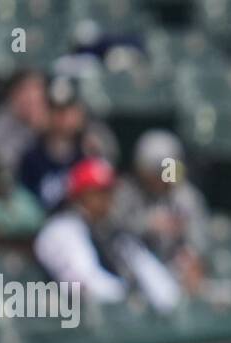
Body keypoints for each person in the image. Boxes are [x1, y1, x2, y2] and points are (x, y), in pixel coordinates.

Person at [33, 157, 181, 312]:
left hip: (114, 320)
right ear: (79, 195)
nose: (106, 199)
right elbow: (85, 283)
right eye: (98, 193)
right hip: (68, 323)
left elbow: (156, 279)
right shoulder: (61, 230)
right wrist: (130, 298)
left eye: (108, 192)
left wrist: (163, 300)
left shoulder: (115, 234)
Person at [111, 130, 209, 296]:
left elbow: (198, 240)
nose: (161, 177)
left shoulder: (185, 196)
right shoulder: (125, 192)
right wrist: (147, 224)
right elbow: (111, 230)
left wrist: (191, 255)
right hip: (130, 266)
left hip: (172, 267)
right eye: (155, 171)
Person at [18, 75, 116, 212]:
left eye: (68, 111)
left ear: (78, 112)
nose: (63, 118)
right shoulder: (31, 156)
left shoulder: (91, 151)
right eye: (56, 111)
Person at [0, 70, 49, 175]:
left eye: (37, 89)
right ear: (12, 94)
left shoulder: (52, 117)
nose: (32, 96)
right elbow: (0, 165)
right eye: (25, 90)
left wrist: (41, 129)